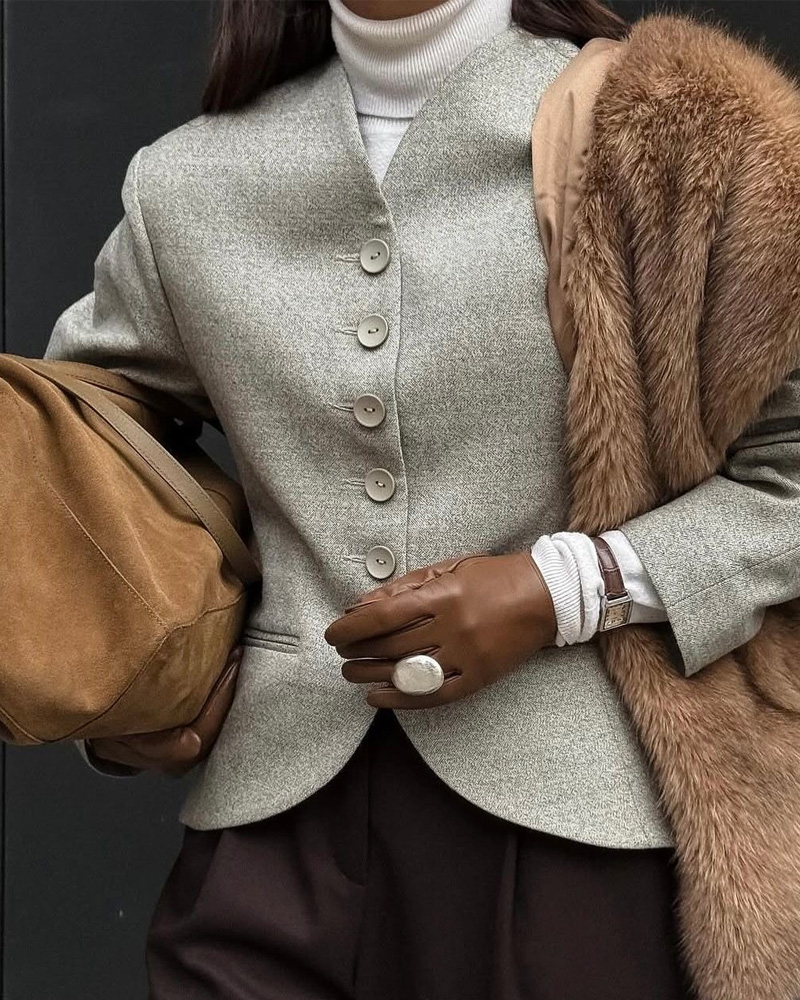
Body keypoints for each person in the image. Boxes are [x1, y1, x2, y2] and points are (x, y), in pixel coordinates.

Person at [41, 0, 800, 997]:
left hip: (577, 835)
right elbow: (73, 457)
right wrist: (132, 667)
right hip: (267, 843)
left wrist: (561, 586)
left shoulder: (671, 131)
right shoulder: (189, 183)